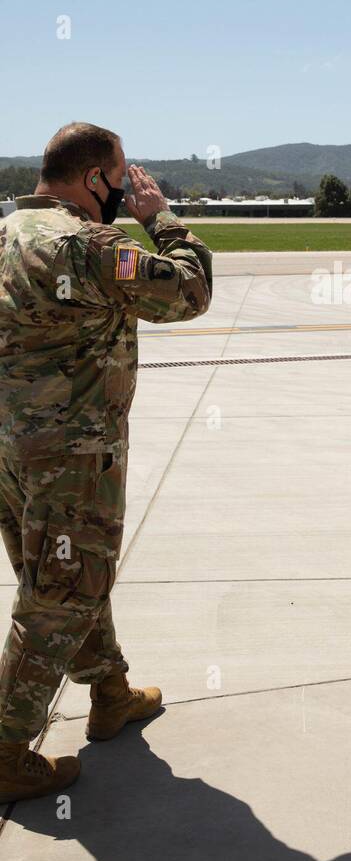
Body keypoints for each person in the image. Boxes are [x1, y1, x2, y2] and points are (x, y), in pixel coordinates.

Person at [0, 123, 212, 803]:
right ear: (94, 179)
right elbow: (187, 293)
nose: (125, 193)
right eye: (120, 181)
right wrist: (163, 221)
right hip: (71, 454)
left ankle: (111, 693)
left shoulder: (5, 234)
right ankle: (5, 749)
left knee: (67, 576)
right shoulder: (88, 244)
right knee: (62, 594)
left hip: (9, 448)